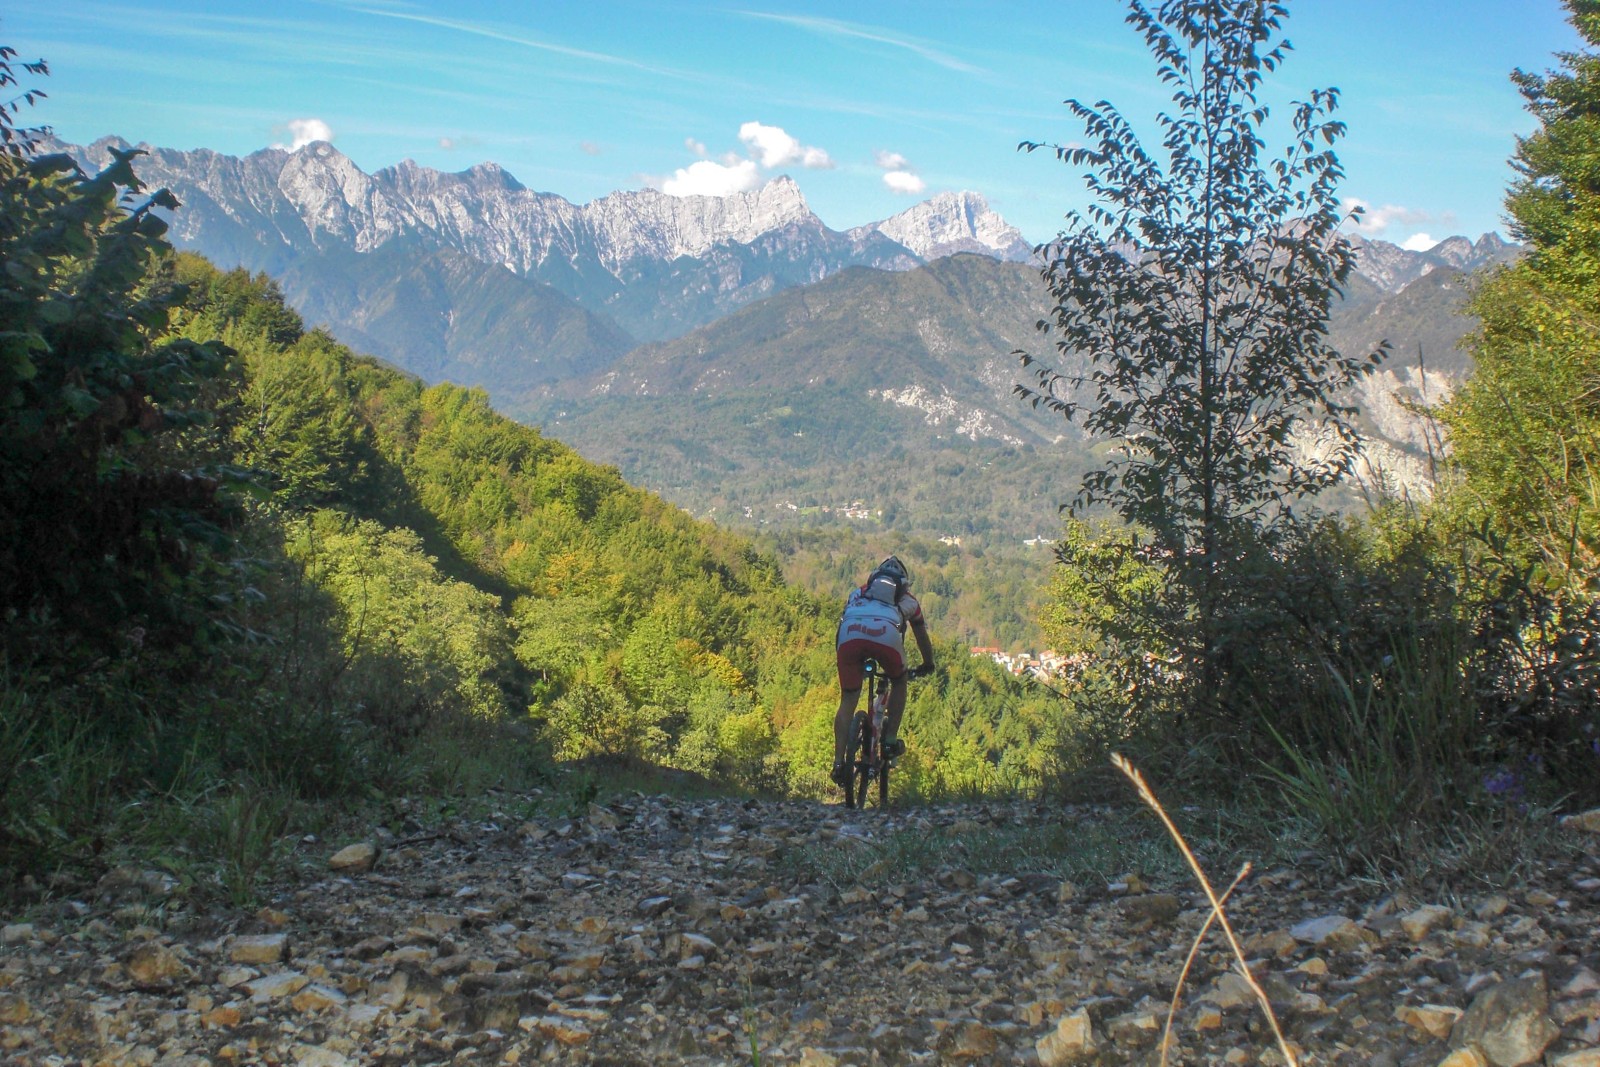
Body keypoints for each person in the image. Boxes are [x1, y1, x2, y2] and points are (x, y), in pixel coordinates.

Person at [831, 555, 935, 788]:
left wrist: (842, 655)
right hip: (885, 637)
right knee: (899, 681)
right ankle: (888, 740)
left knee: (848, 699)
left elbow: (842, 624)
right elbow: (921, 636)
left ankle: (838, 763)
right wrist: (928, 663)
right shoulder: (909, 601)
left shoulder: (858, 593)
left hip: (850, 636)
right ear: (902, 584)